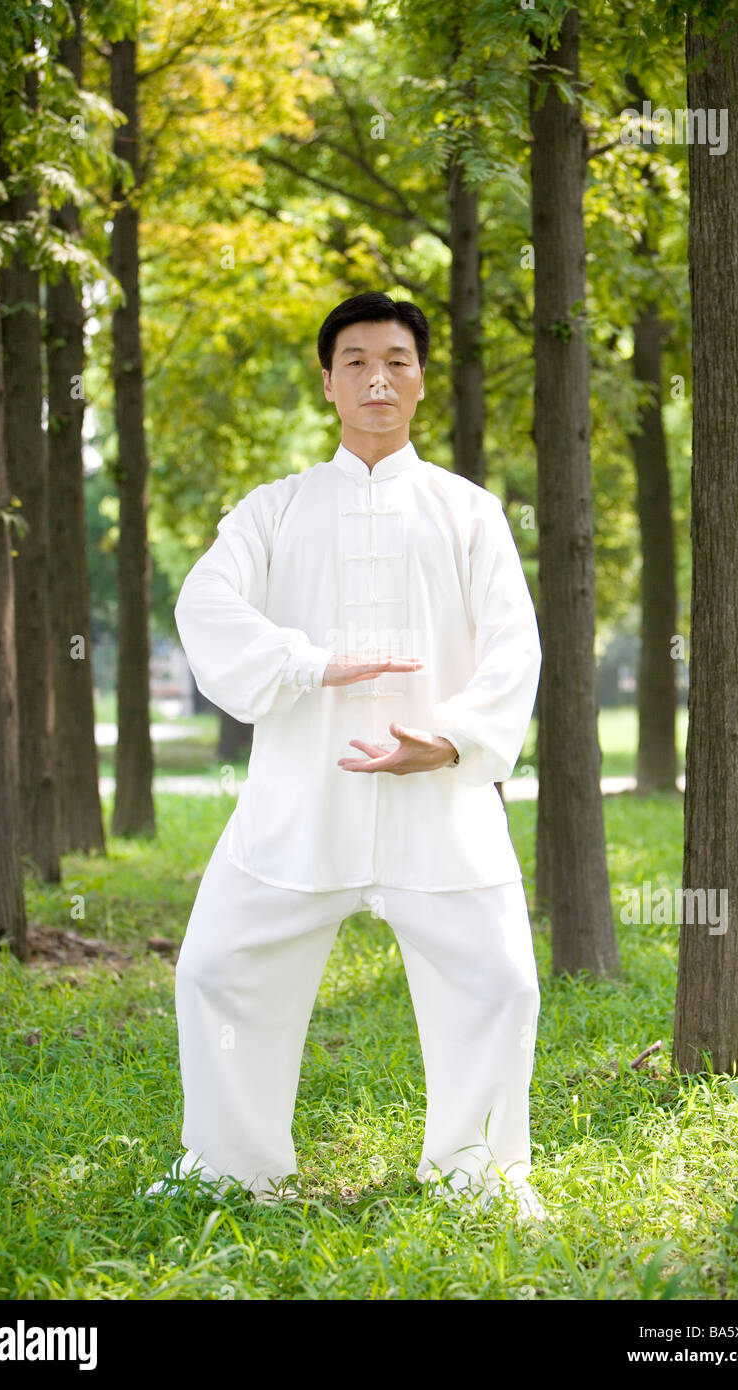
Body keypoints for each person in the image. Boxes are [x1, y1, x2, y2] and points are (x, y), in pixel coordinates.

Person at [143, 291, 545, 1222]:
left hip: (439, 803)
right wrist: (308, 663)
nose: (377, 377)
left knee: (498, 984)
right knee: (215, 969)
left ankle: (478, 1175)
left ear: (420, 381)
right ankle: (230, 1166)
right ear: (327, 382)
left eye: (397, 361)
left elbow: (515, 645)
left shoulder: (469, 512)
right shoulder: (275, 510)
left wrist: (450, 739)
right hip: (300, 798)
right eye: (356, 361)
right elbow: (204, 606)